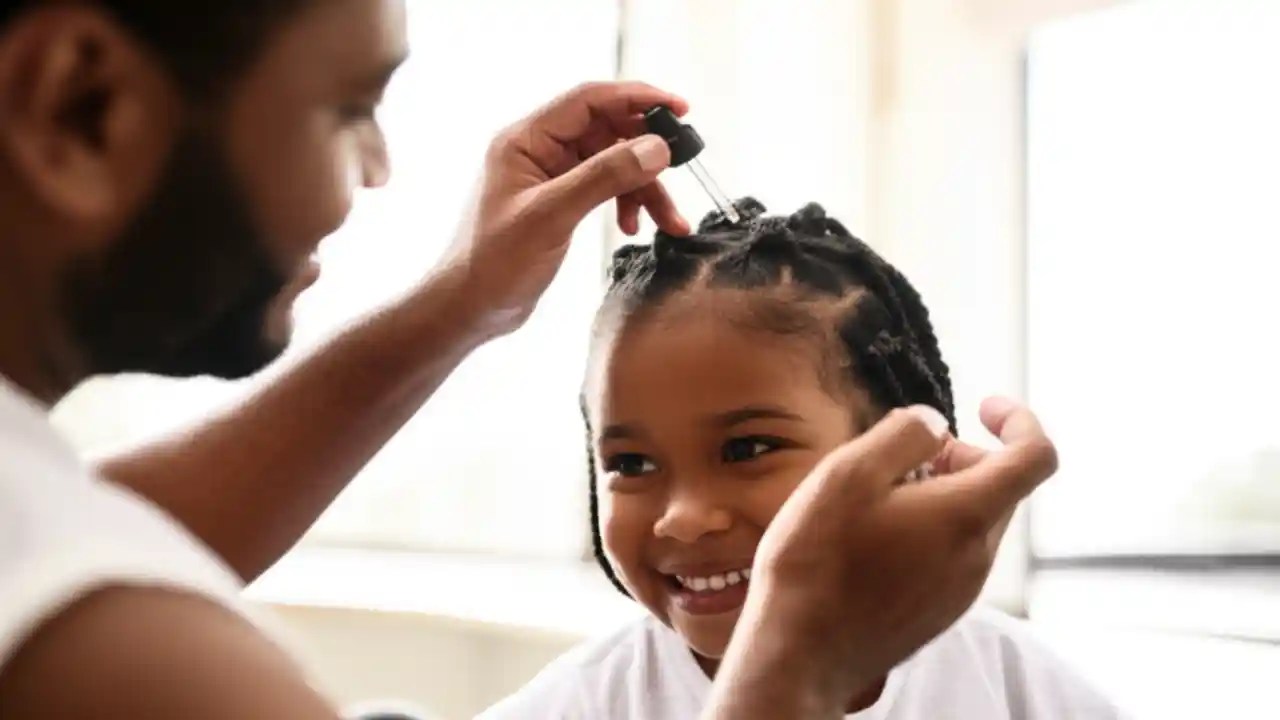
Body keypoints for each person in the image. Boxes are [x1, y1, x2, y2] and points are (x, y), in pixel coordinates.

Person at [0, 2, 1060, 719]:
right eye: (348, 109)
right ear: (79, 103)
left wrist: (459, 306)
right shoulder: (111, 652)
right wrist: (798, 673)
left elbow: (93, 531)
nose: (372, 174)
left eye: (746, 444)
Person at [477, 200, 1118, 719]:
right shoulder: (579, 706)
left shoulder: (1014, 687)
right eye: (632, 464)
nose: (684, 519)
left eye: (747, 449)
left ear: (907, 457)